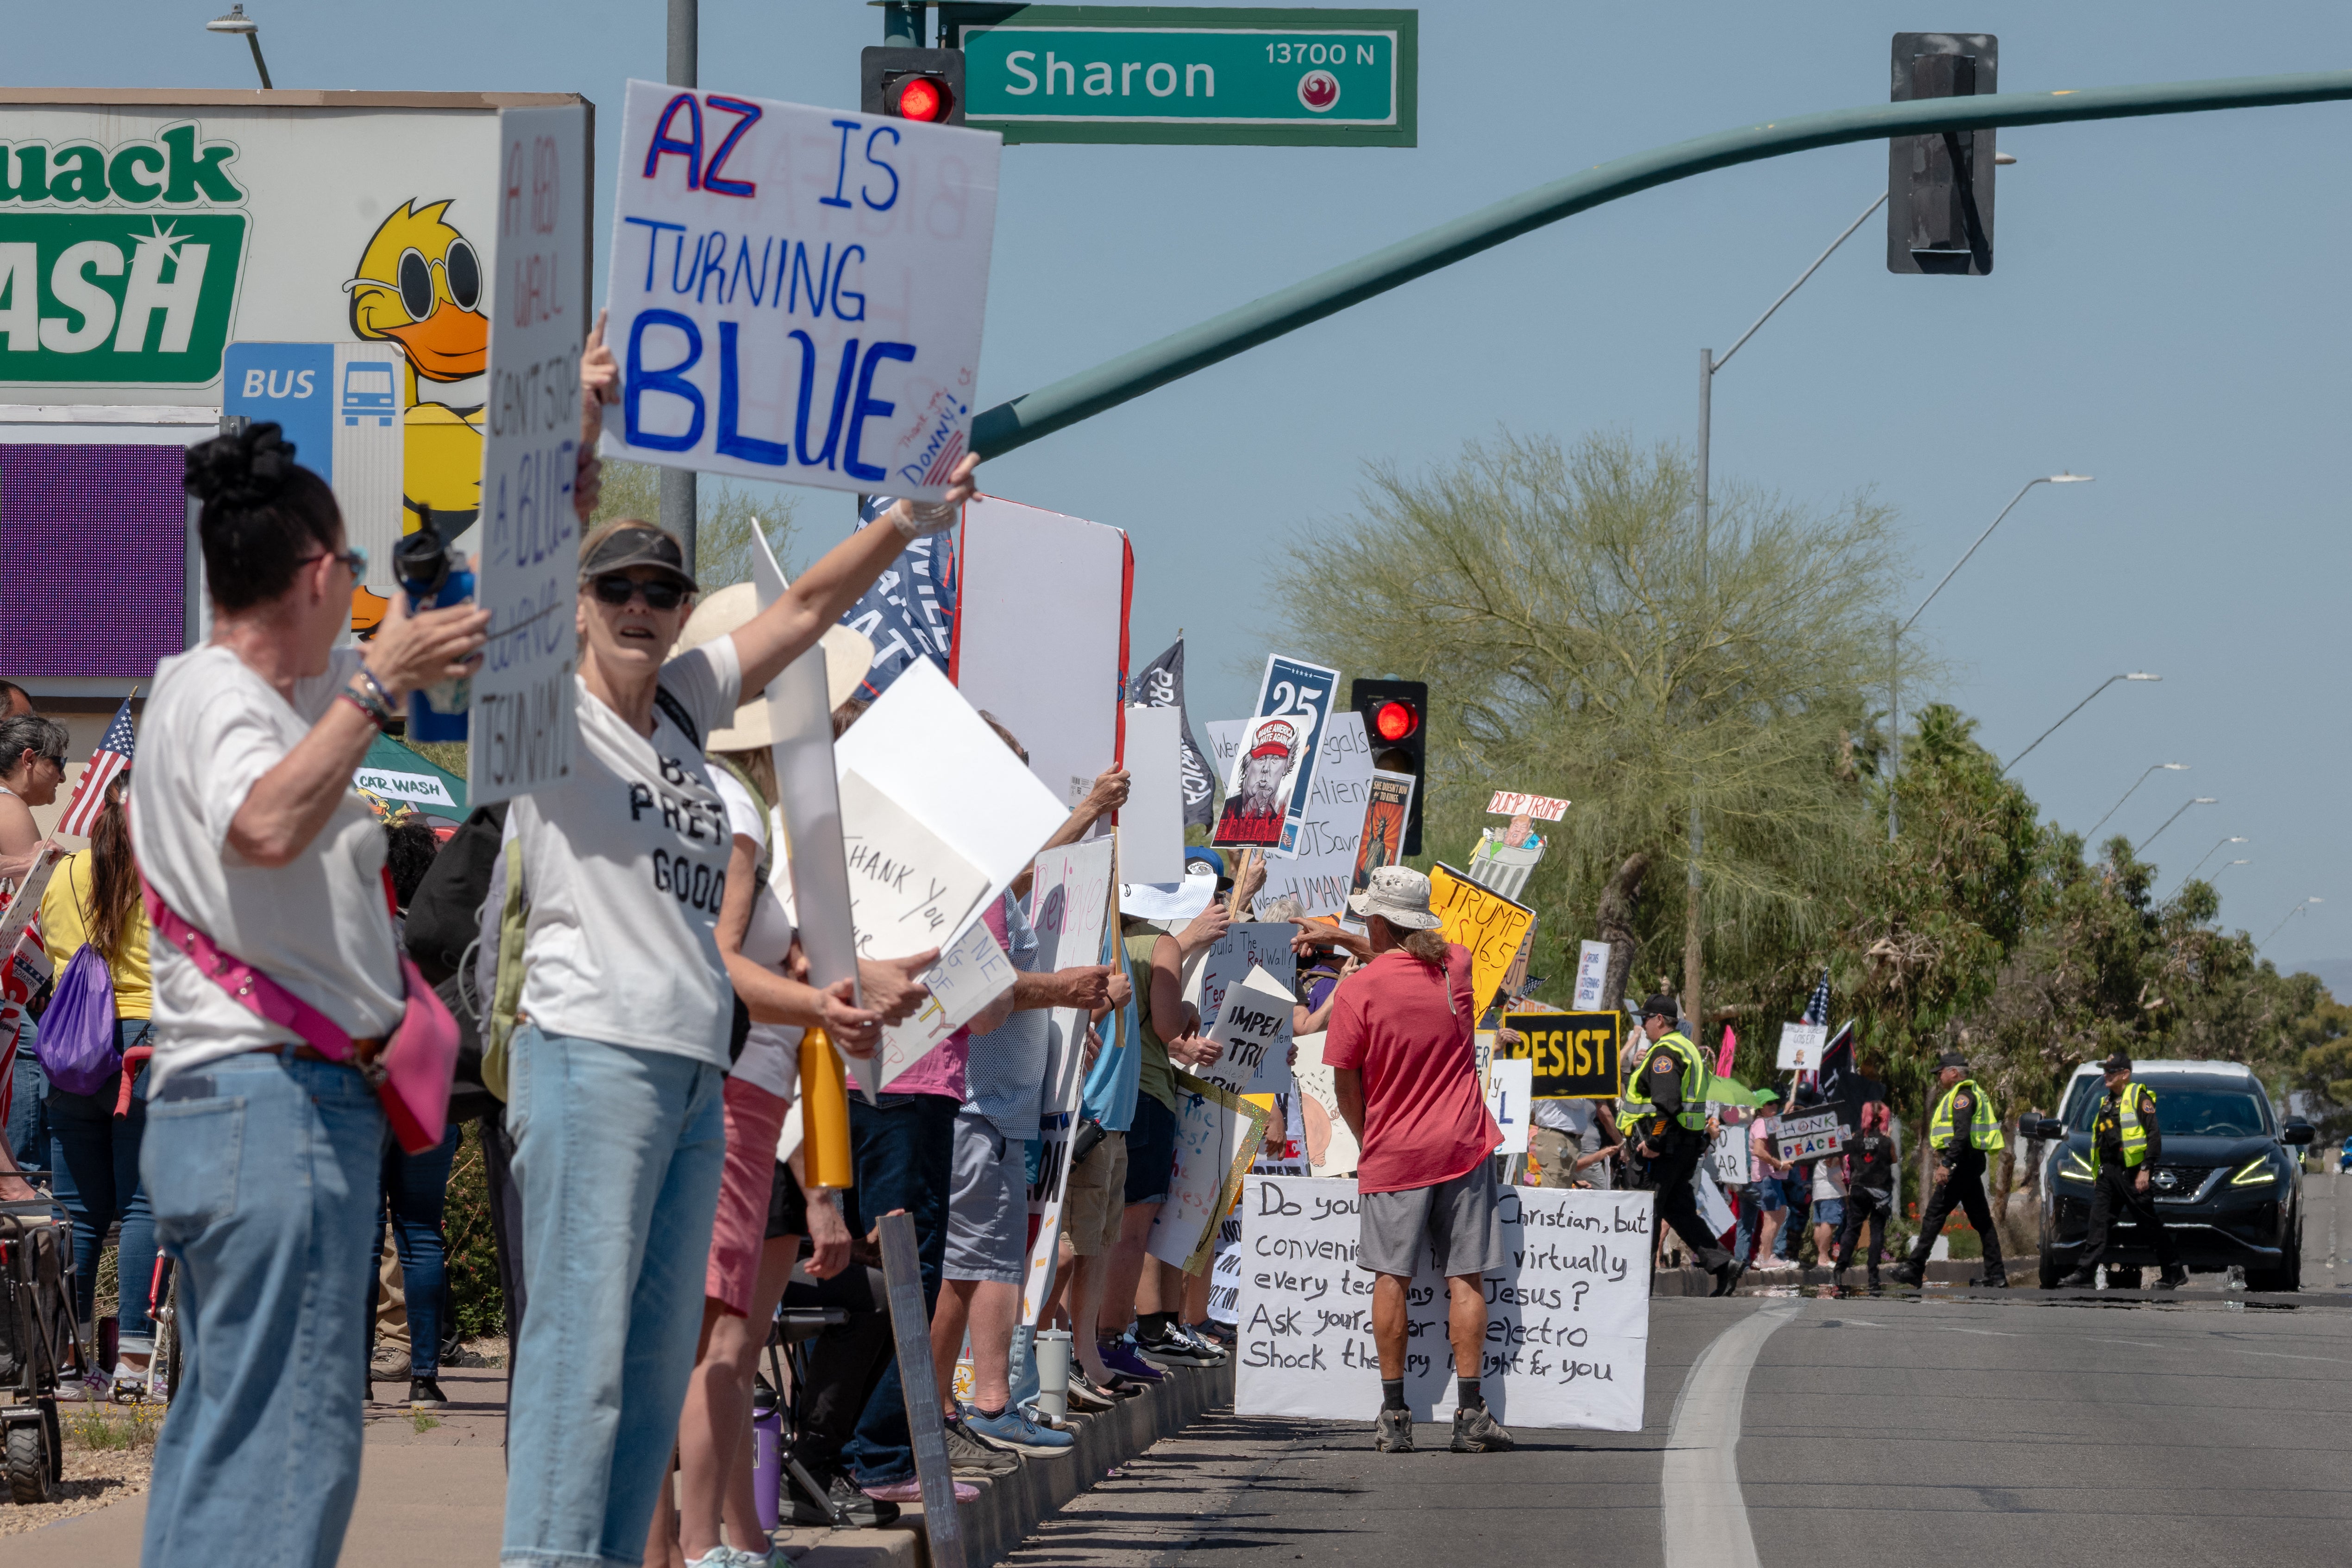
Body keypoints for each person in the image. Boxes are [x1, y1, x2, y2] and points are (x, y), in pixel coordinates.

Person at [500, 445, 979, 1566]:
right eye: (614, 586)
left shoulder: (683, 699)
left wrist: (908, 520)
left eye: (659, 590)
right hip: (589, 1055)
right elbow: (509, 578)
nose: (637, 605)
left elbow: (806, 605)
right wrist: (565, 428)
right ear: (575, 605)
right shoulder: (542, 705)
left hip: (693, 1077)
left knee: (656, 1362)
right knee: (582, 1358)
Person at [133, 421, 489, 1566]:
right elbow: (267, 822)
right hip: (270, 1106)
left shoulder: (263, 692)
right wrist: (381, 680)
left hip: (244, 1108)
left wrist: (563, 448)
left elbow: (469, 633)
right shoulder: (226, 699)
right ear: (323, 574)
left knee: (233, 1440)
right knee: (289, 1455)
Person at [1326, 866, 1509, 1455]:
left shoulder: (1357, 990)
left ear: (1378, 921)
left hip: (1395, 1151)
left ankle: (1394, 1412)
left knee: (1391, 1278)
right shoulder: (1456, 968)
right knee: (1467, 1277)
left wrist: (1367, 1137)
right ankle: (1472, 1411)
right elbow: (1422, 948)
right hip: (1461, 1142)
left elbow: (1345, 1084)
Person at [38, 771, 158, 1392]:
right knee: (143, 1202)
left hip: (69, 1044)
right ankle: (134, 1362)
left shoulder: (63, 874)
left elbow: (50, 943)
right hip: (146, 1040)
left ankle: (65, 1357)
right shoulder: (170, 879)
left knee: (78, 1210)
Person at [1619, 994, 1742, 1296]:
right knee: (1680, 1211)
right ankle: (1722, 1263)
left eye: (1645, 1019)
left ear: (1659, 1020)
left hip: (1662, 1151)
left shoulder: (1665, 1052)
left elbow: (1667, 1104)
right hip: (1684, 1146)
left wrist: (1654, 1142)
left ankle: (1636, 1288)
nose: (1643, 1024)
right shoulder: (1685, 1048)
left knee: (1643, 1215)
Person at [0, 711, 69, 1173]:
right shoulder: (9, 806)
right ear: (29, 759)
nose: (64, 775)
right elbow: (34, 903)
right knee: (25, 1050)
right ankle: (18, 1172)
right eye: (58, 762)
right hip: (11, 972)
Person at [2058, 1053, 2183, 1290]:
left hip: (2132, 1174)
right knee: (2098, 1222)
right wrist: (2098, 1175)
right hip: (2108, 1174)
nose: (2106, 1075)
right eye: (2105, 1070)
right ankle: (2085, 1273)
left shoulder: (2139, 1097)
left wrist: (2146, 1170)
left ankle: (2174, 1271)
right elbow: (2101, 1141)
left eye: (2111, 1071)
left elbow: (2154, 1137)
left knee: (2149, 1225)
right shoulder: (2106, 1102)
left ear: (2125, 1075)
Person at [1888, 1051, 2007, 1289]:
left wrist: (1946, 1164)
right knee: (1982, 1220)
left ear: (1954, 1073)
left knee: (1934, 1215)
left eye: (1941, 1072)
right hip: (1970, 1163)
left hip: (1960, 1163)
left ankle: (1915, 1267)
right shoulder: (1969, 1094)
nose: (1939, 1077)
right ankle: (1997, 1275)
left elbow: (1961, 1135)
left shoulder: (1962, 1098)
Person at [1833, 1099, 1901, 1289]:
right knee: (1877, 1231)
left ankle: (1840, 1269)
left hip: (1859, 1188)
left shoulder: (1854, 1138)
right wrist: (1886, 1139)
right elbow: (1893, 1160)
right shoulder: (1887, 1141)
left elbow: (1843, 1155)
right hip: (1881, 1191)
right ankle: (1873, 1276)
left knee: (1852, 1230)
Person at [1735, 1087, 1789, 1267]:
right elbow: (1758, 1151)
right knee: (1772, 1218)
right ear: (1760, 1107)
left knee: (1780, 1214)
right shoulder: (1761, 1124)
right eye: (1769, 1103)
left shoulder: (1766, 1122)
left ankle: (1764, 1255)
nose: (1774, 1106)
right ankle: (1765, 1257)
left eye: (1776, 1102)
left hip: (1768, 1177)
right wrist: (1779, 1164)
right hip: (1766, 1177)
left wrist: (1787, 1110)